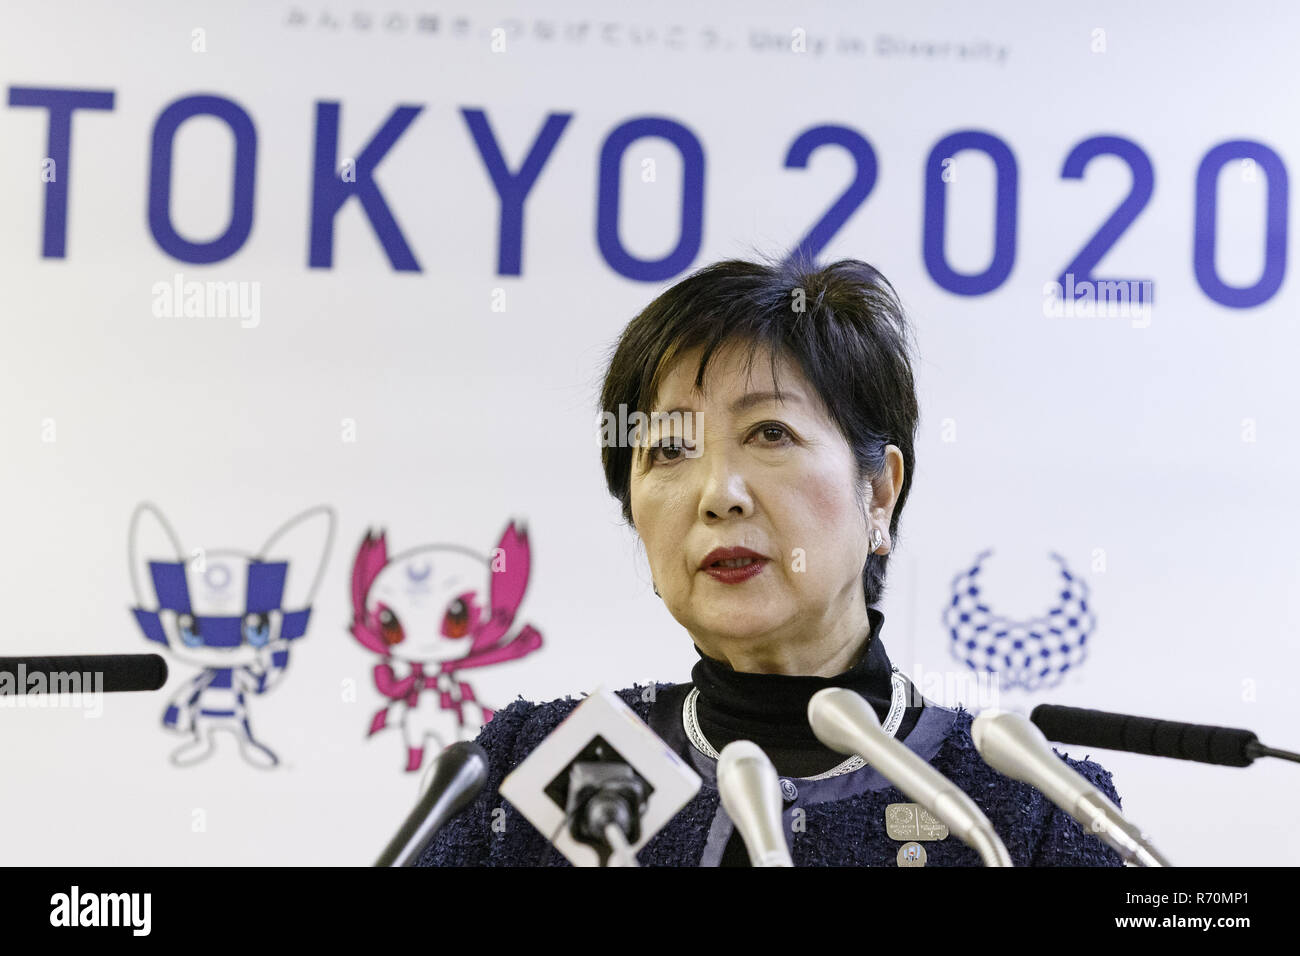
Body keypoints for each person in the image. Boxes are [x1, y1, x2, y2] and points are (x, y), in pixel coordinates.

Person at [418, 254, 1125, 866]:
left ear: (877, 492)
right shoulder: (533, 768)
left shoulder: (1026, 805)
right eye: (668, 448)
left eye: (769, 432)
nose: (718, 494)